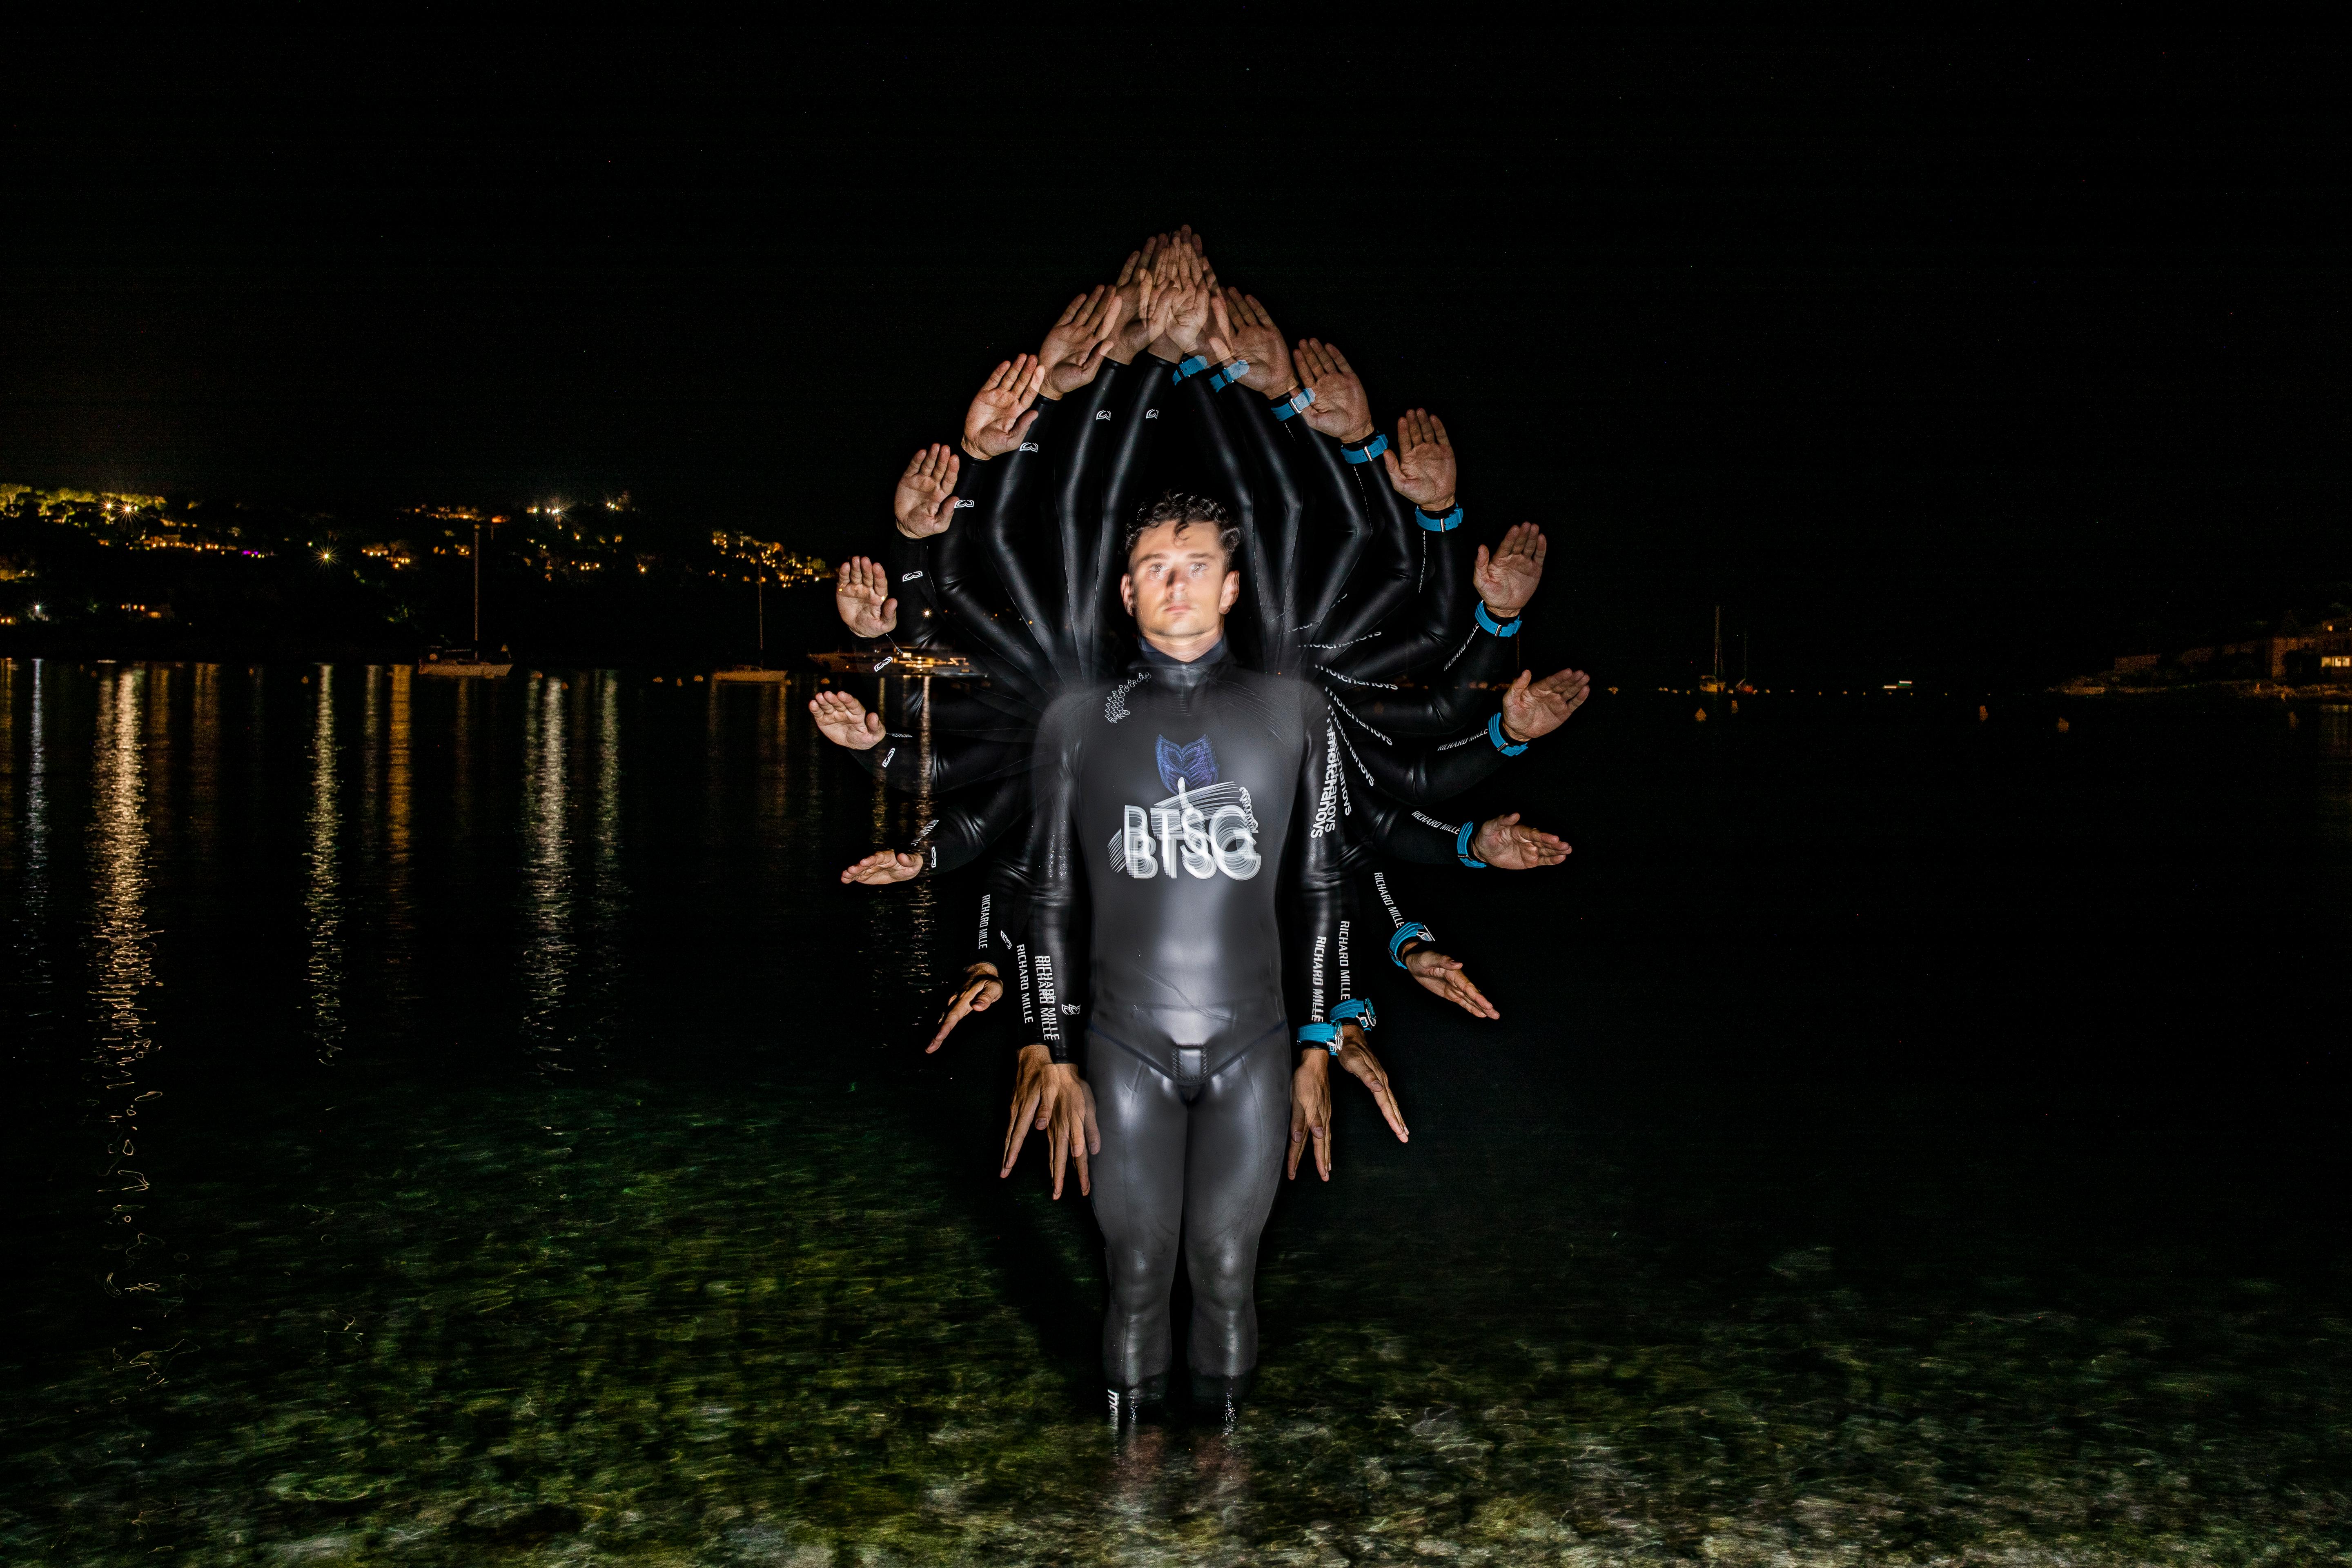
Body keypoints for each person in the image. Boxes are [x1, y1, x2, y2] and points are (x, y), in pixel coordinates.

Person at [998, 493, 1405, 1424]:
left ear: (1230, 588)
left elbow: (1323, 886)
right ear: (1126, 591)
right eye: (1154, 567)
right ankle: (1130, 1472)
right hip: (1121, 1044)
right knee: (1137, 1271)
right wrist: (1052, 1048)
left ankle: (1224, 1477)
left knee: (1226, 1270)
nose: (1174, 582)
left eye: (1195, 567)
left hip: (1254, 1042)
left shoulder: (1296, 712)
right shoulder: (1075, 721)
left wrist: (1317, 1041)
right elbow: (1046, 895)